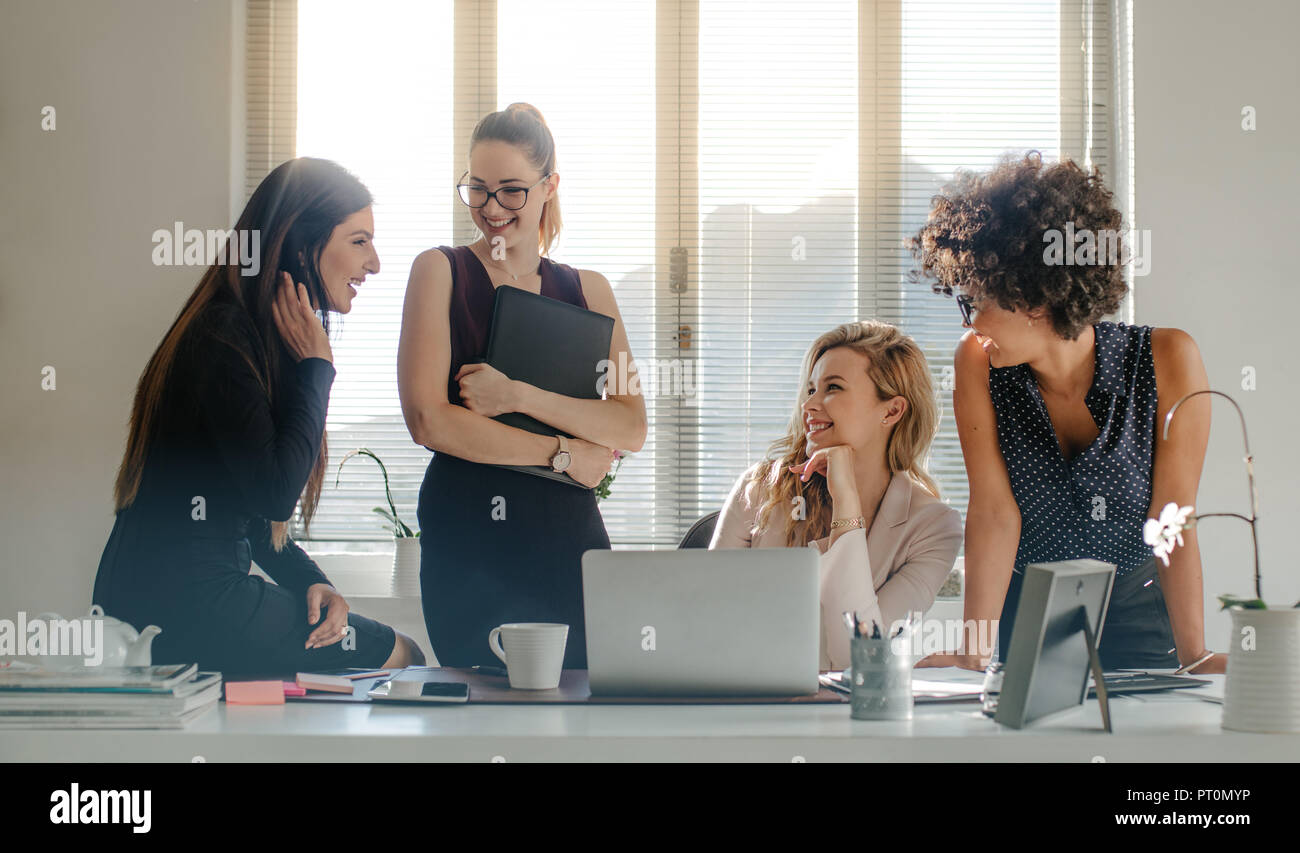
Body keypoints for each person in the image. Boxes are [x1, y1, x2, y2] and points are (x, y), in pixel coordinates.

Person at [93, 157, 424, 676]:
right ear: (301, 243)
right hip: (191, 603)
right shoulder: (224, 338)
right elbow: (273, 493)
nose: (375, 263)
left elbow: (253, 513)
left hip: (160, 598)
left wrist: (316, 583)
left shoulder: (239, 334)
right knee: (404, 655)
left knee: (370, 655)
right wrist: (318, 368)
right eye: (359, 241)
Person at [908, 151, 1225, 673]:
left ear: (1030, 295)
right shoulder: (978, 361)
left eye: (975, 303)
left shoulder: (1168, 358)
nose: (970, 324)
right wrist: (972, 654)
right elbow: (993, 513)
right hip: (1028, 610)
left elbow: (1171, 518)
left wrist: (1195, 655)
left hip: (1137, 612)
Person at [398, 103, 647, 668]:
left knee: (582, 712)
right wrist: (562, 455)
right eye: (478, 190)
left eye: (511, 190)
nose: (492, 209)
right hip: (468, 533)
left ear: (549, 185)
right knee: (479, 708)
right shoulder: (438, 270)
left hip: (568, 538)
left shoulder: (592, 290)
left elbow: (630, 424)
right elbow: (429, 420)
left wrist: (515, 396)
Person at [709, 321, 963, 671]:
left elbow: (858, 655)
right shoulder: (760, 487)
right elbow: (708, 620)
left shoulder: (935, 528)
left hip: (847, 717)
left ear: (891, 411)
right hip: (746, 692)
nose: (809, 404)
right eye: (811, 389)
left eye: (833, 388)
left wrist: (846, 501)